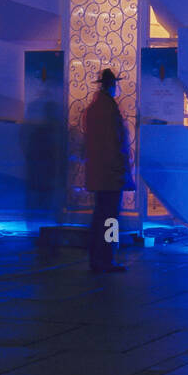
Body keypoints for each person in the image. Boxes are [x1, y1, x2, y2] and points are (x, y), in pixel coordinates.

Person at [82, 68, 134, 273]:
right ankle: (107, 257)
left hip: (98, 171)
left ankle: (97, 257)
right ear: (112, 85)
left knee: (99, 216)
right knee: (110, 218)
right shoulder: (110, 109)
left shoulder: (93, 109)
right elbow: (116, 143)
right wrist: (122, 169)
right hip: (111, 173)